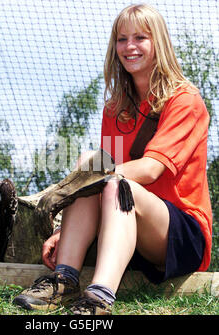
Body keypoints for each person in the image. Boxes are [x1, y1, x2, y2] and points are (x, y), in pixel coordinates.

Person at [12, 3, 212, 315]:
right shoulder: (115, 109)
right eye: (121, 39)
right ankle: (63, 280)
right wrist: (67, 230)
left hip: (180, 235)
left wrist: (83, 177)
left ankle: (99, 298)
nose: (129, 47)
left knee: (105, 177)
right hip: (125, 227)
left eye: (140, 38)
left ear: (158, 42)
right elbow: (104, 179)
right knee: (94, 163)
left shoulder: (185, 100)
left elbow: (149, 169)